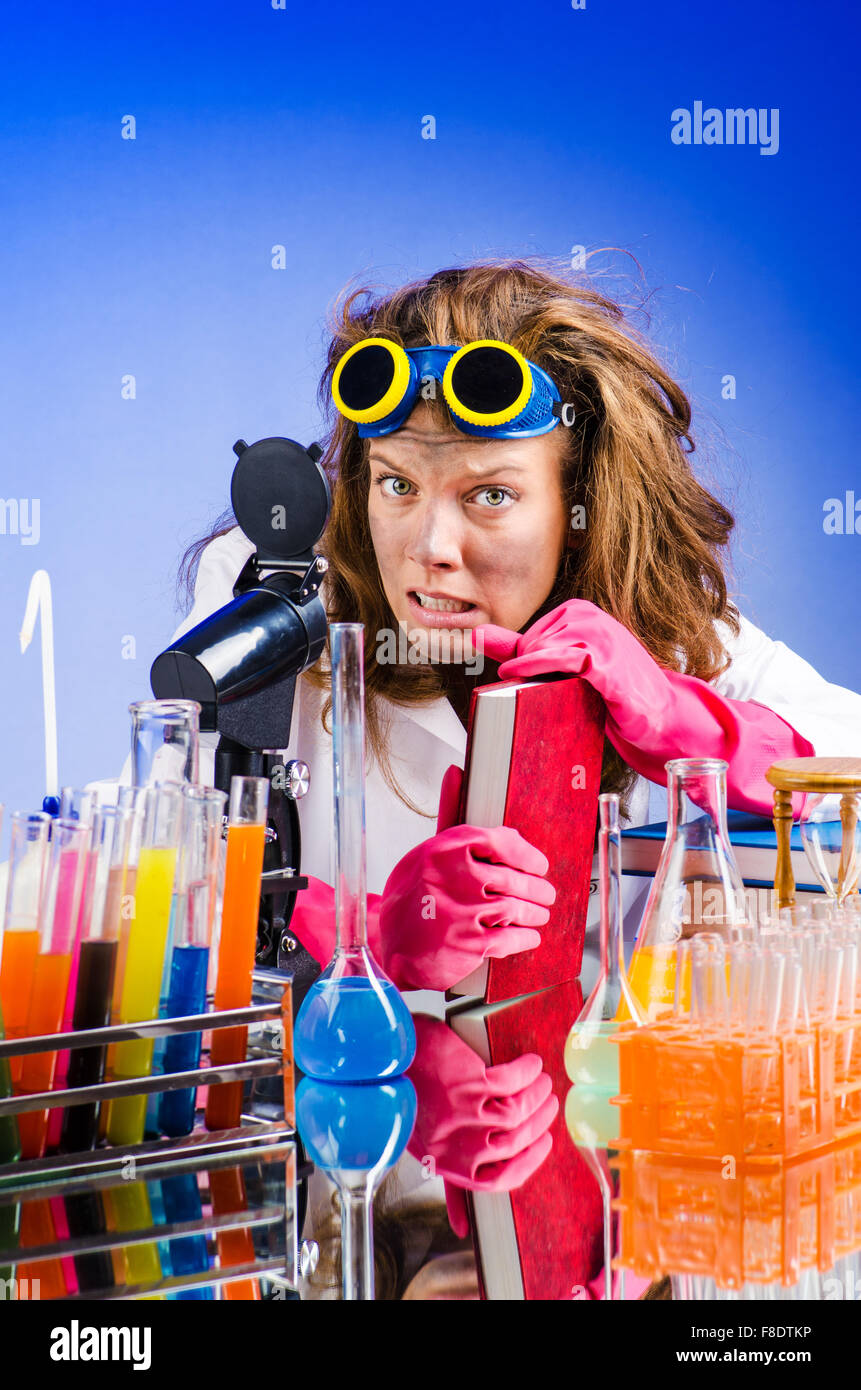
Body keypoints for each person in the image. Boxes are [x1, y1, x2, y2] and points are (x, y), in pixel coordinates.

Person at [168, 258, 861, 1265]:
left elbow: (843, 753)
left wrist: (680, 717)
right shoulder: (269, 592)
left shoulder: (662, 631)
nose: (430, 546)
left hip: (580, 1182)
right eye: (396, 484)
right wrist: (368, 944)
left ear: (582, 504)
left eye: (490, 494)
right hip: (338, 1198)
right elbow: (186, 883)